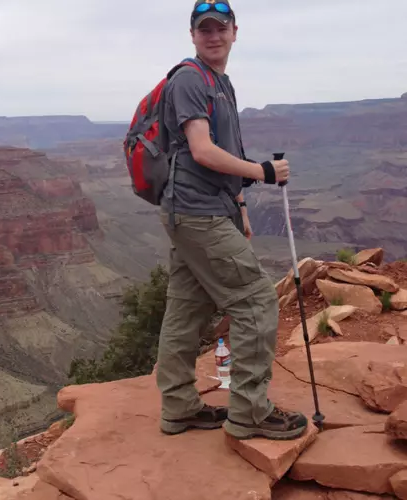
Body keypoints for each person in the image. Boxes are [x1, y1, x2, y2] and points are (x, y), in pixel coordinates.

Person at [156, 0, 308, 441]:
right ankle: (250, 413)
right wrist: (263, 172)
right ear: (192, 36)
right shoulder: (189, 79)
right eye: (204, 29)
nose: (213, 36)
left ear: (235, 32)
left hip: (203, 210)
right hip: (195, 211)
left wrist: (239, 206)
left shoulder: (220, 82)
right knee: (257, 299)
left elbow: (227, 150)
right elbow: (203, 150)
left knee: (188, 308)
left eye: (220, 28)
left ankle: (179, 408)